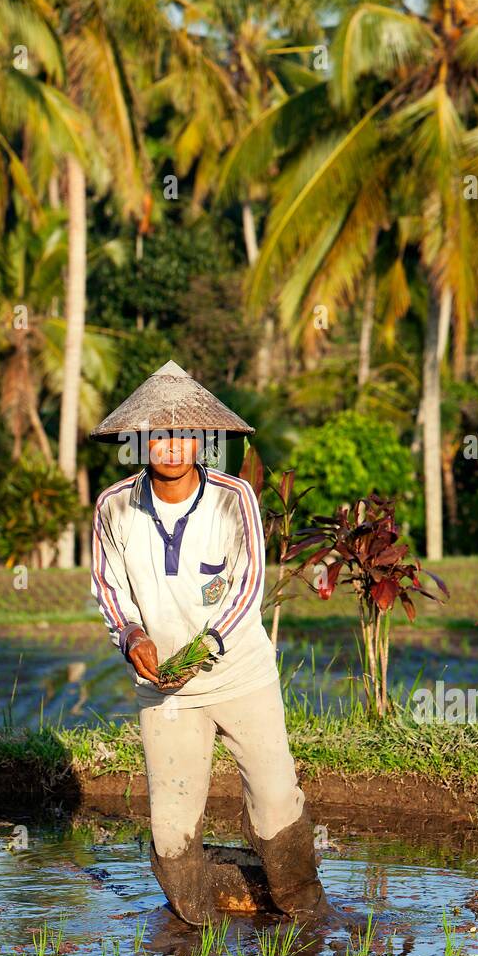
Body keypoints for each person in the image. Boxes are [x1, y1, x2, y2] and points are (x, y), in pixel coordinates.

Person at [89, 360, 329, 926]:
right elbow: (107, 585)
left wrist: (205, 648)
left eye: (182, 434)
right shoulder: (114, 506)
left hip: (240, 676)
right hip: (163, 688)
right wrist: (130, 635)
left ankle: (302, 909)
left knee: (274, 802)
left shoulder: (234, 497)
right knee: (171, 829)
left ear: (201, 439)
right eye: (158, 435)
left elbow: (247, 585)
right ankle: (192, 934)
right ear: (140, 439)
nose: (170, 446)